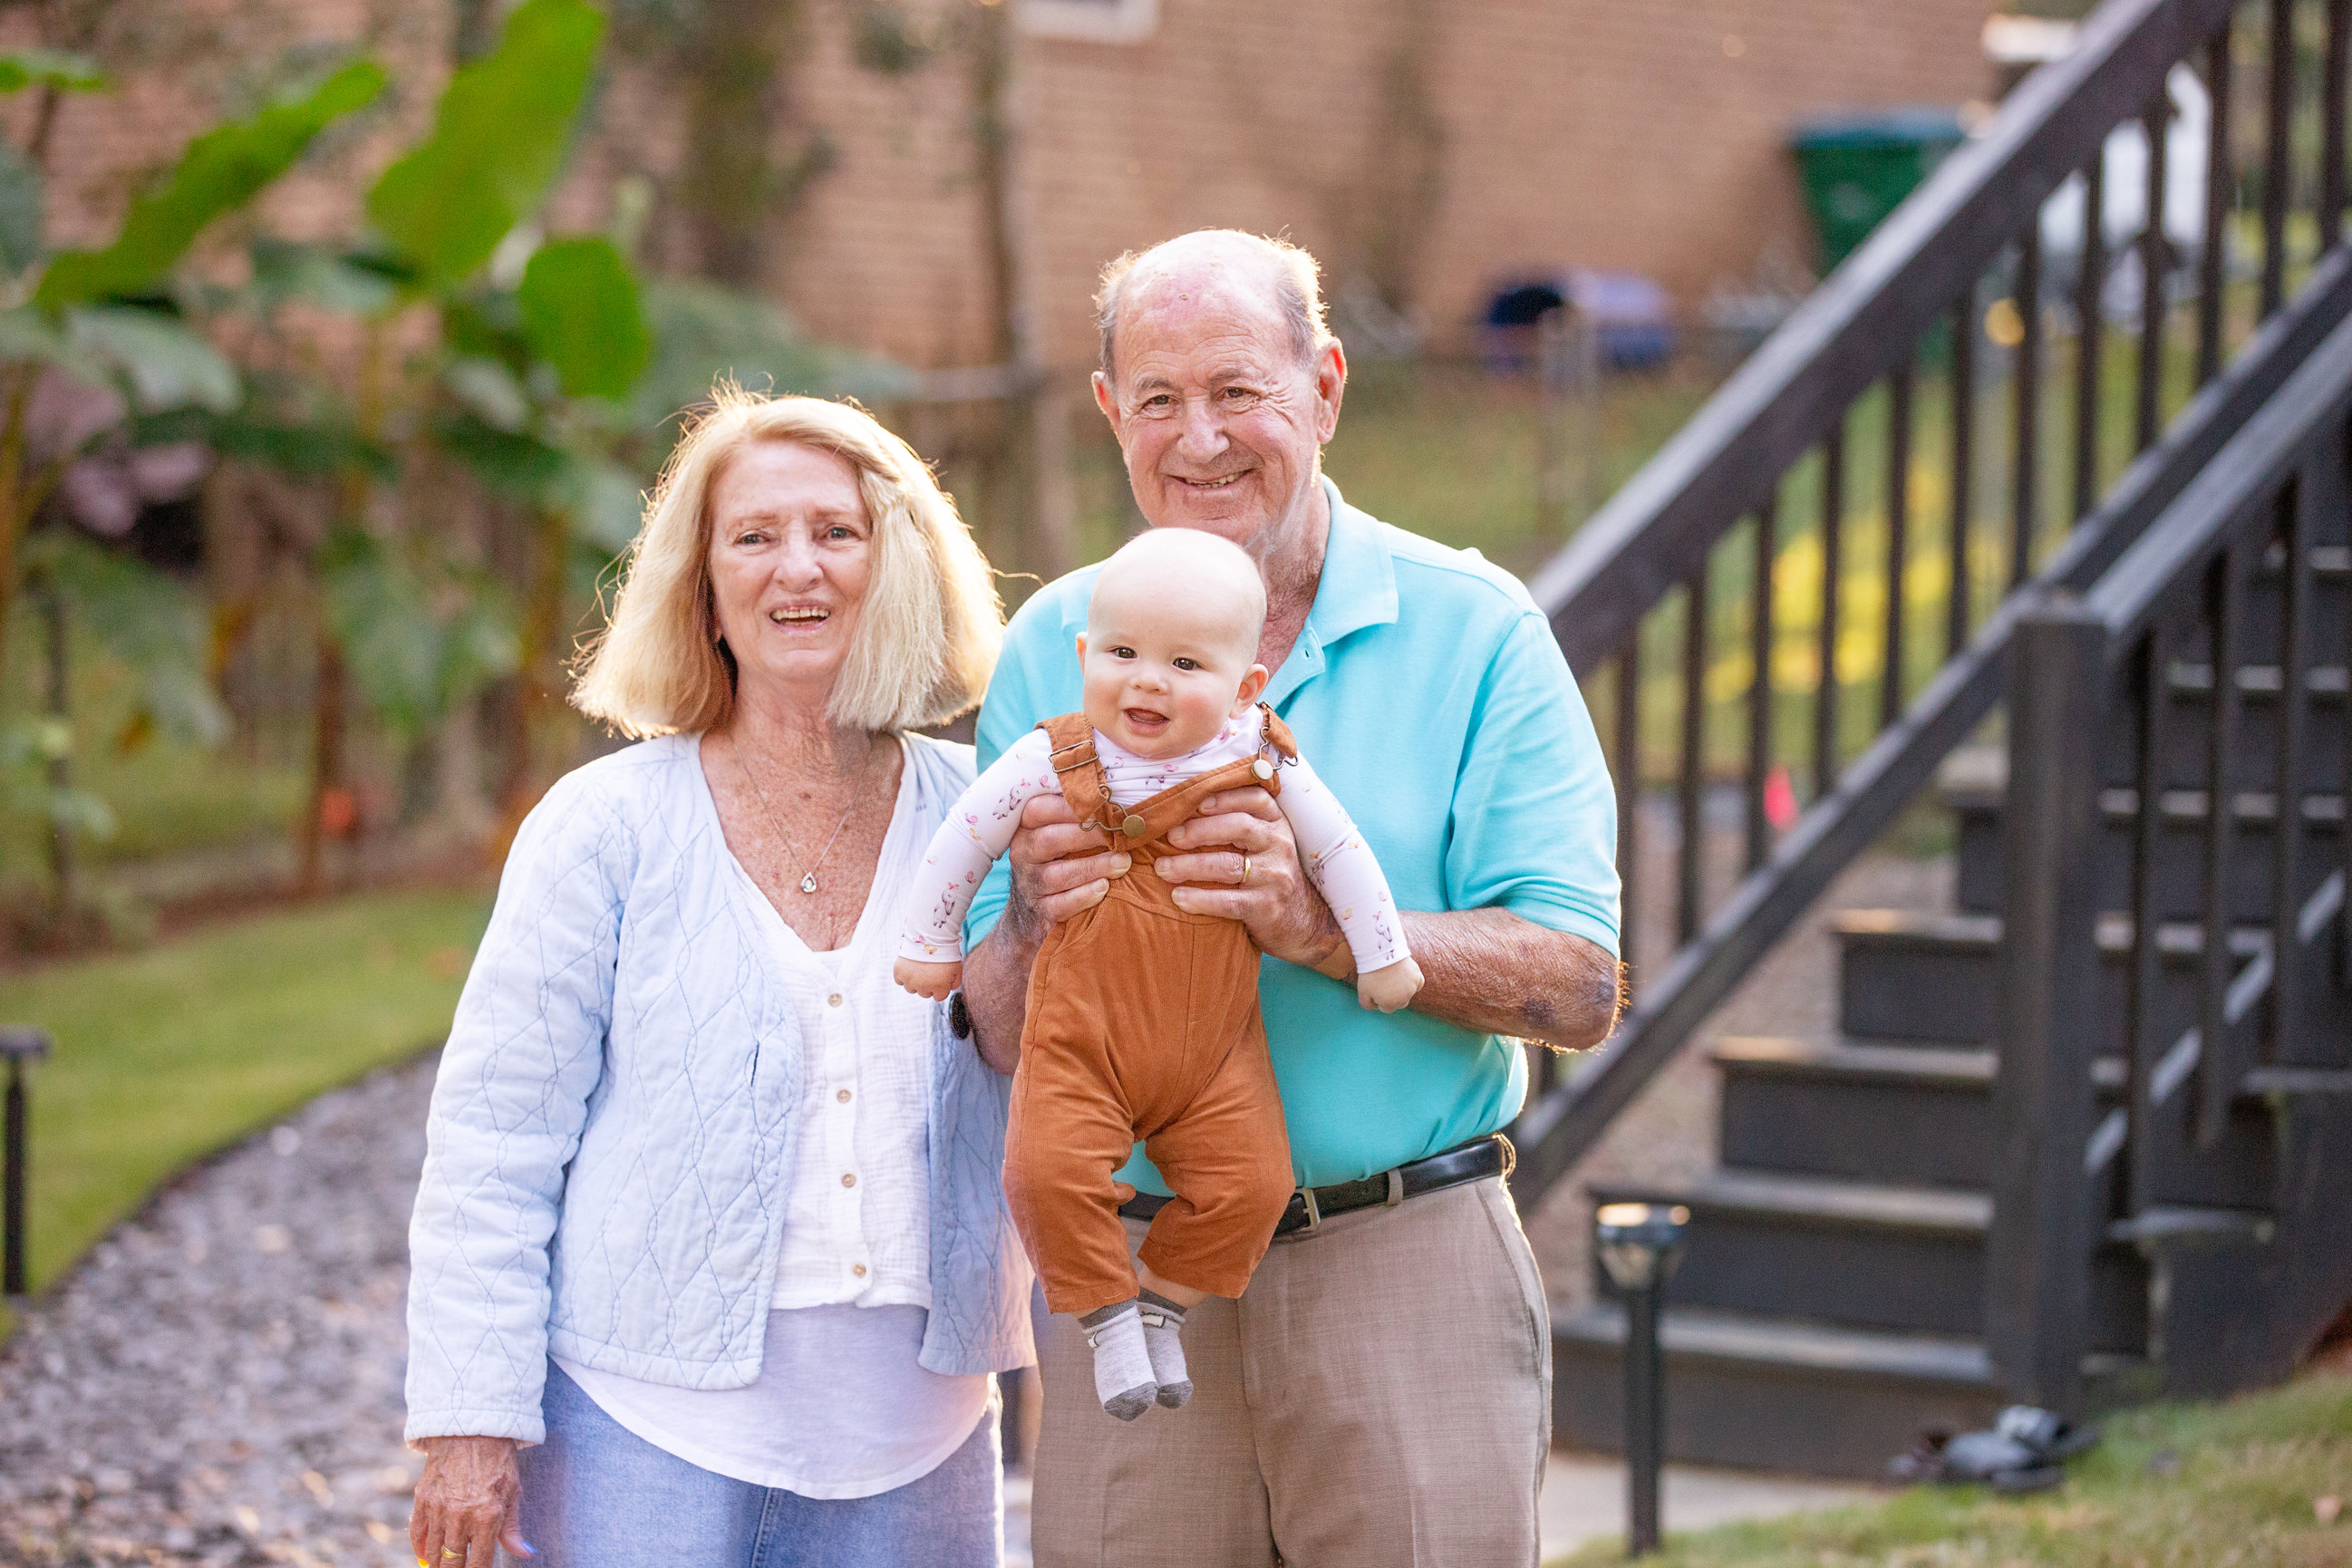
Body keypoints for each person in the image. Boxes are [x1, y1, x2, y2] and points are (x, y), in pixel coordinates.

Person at [956, 230, 1623, 1568]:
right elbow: (1000, 1028)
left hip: (1400, 1258)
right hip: (1133, 1287)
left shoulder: (1477, 630)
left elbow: (1576, 981)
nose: (1198, 437)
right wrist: (1029, 915)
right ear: (1111, 414)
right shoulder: (1052, 648)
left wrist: (1325, 931)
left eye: (1236, 391)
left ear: (1322, 388)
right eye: (1158, 397)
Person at [402, 388, 1031, 1568]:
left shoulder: (989, 812)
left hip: (923, 1446)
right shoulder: (603, 825)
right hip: (643, 1443)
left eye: (836, 531)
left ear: (897, 562)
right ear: (701, 585)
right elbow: (494, 1143)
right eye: (753, 536)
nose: (798, 567)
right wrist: (469, 1426)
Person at [895, 528, 1420, 1424]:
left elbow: (1337, 850)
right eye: (1123, 654)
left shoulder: (1258, 756)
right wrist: (929, 938)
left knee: (1252, 1185)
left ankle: (1162, 1305)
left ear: (1245, 687)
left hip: (1213, 1050)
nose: (1147, 681)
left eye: (1185, 663)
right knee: (1043, 1174)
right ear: (1083, 657)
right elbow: (964, 839)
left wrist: (1380, 953)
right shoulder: (1051, 756)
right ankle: (1106, 1320)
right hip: (1080, 1036)